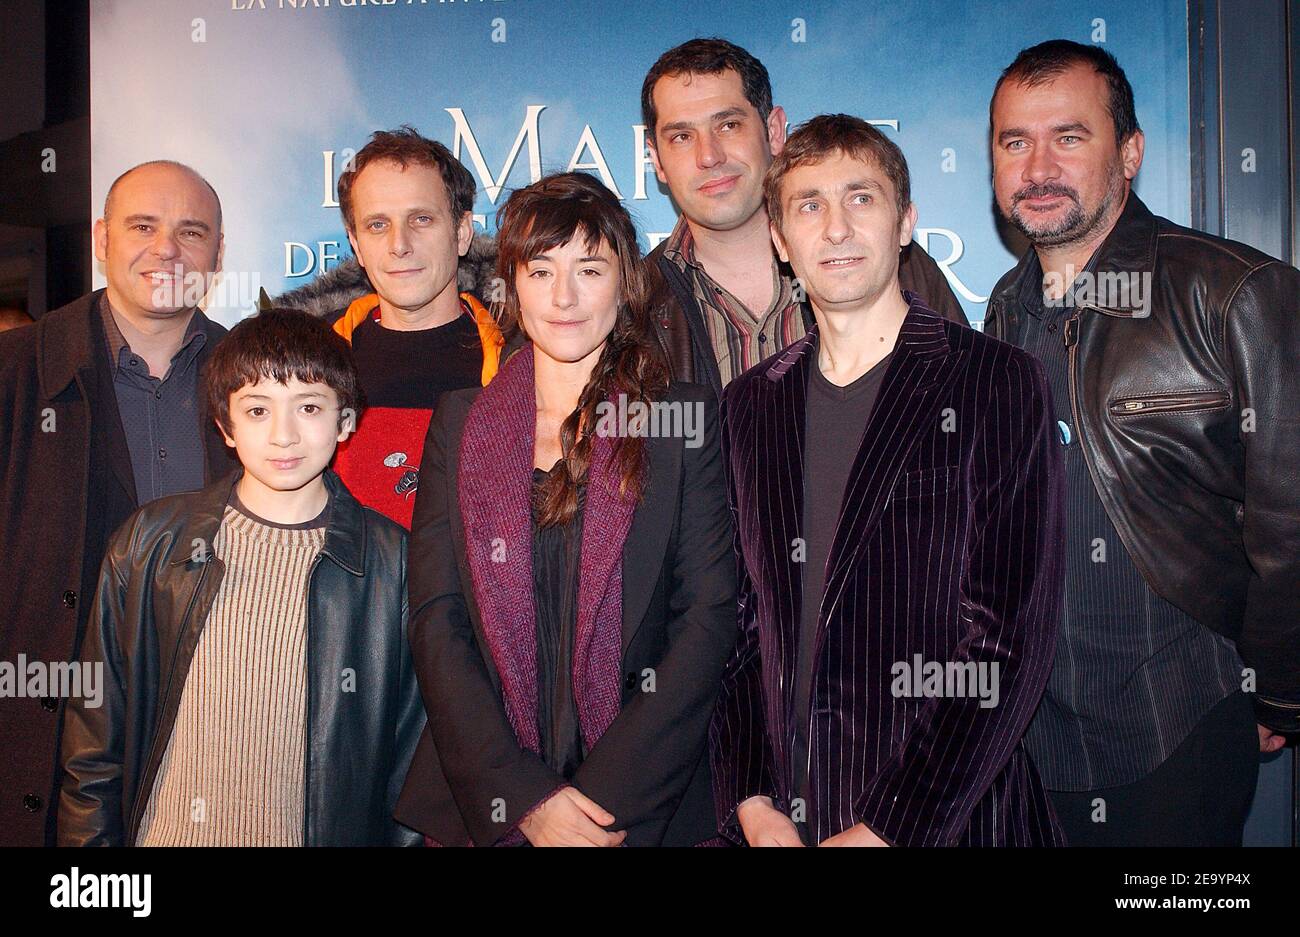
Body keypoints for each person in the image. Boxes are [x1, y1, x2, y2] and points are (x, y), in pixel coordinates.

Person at [713, 115, 1064, 847]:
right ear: (781, 239)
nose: (836, 228)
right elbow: (740, 628)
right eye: (809, 205)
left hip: (949, 820)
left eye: (861, 199)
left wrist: (887, 829)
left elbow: (1007, 644)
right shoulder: (749, 406)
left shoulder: (995, 380)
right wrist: (751, 800)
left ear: (905, 221)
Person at [986, 39, 1299, 846]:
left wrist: (1281, 690)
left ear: (1130, 152)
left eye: (1070, 137)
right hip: (1027, 746)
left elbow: (1290, 519)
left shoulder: (1233, 291)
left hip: (1178, 728)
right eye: (1015, 142)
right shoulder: (1002, 308)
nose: (1038, 166)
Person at [394, 172, 736, 846]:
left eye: (590, 268)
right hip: (490, 808)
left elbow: (707, 618)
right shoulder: (461, 422)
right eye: (541, 269)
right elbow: (437, 621)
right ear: (511, 286)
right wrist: (526, 800)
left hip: (642, 809)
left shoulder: (684, 418)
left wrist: (595, 806)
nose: (564, 296)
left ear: (625, 284)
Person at [58, 308, 423, 846]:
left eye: (309, 407)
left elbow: (409, 768)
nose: (283, 435)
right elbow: (92, 746)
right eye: (257, 410)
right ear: (225, 426)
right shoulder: (150, 544)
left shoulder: (395, 566)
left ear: (345, 421)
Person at [0, 160, 231, 846]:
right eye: (143, 226)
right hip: (38, 756)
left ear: (219, 254)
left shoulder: (259, 381)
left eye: (191, 231)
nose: (166, 249)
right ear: (101, 238)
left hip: (212, 755)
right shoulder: (15, 375)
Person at [641, 37, 968, 397]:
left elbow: (972, 416)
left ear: (774, 131)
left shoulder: (902, 270)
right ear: (656, 160)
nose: (709, 156)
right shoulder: (632, 302)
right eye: (682, 136)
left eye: (728, 125)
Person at [280, 126, 505, 528]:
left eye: (421, 219)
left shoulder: (521, 362)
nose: (399, 244)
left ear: (462, 232)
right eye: (377, 225)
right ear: (355, 243)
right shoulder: (303, 367)